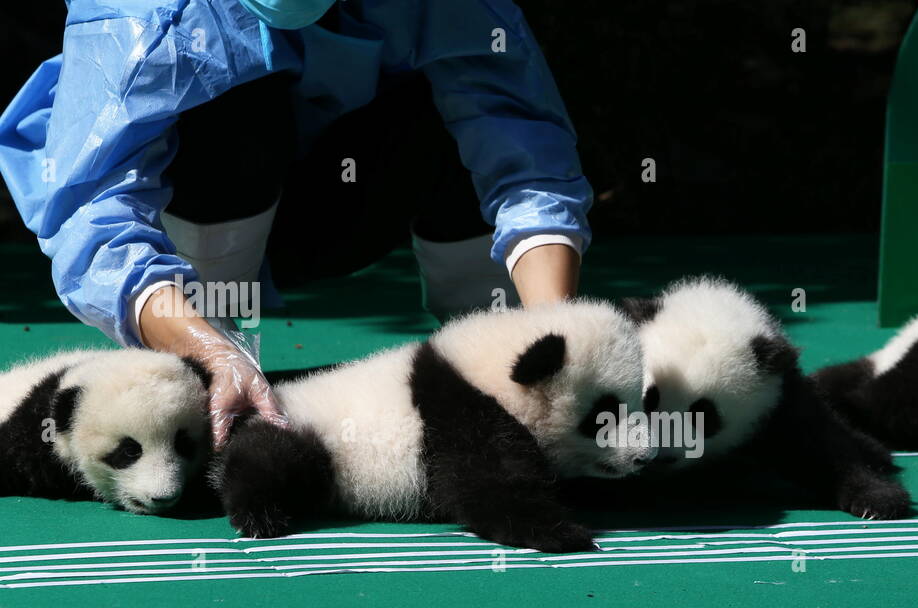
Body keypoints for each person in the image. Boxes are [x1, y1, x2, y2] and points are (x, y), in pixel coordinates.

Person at [0, 0, 592, 446]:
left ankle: (491, 358)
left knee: (452, 111)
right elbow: (93, 213)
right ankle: (215, 360)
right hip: (199, 210)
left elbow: (520, 137)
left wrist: (552, 333)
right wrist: (206, 347)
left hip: (350, 199)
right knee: (240, 117)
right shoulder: (137, 10)